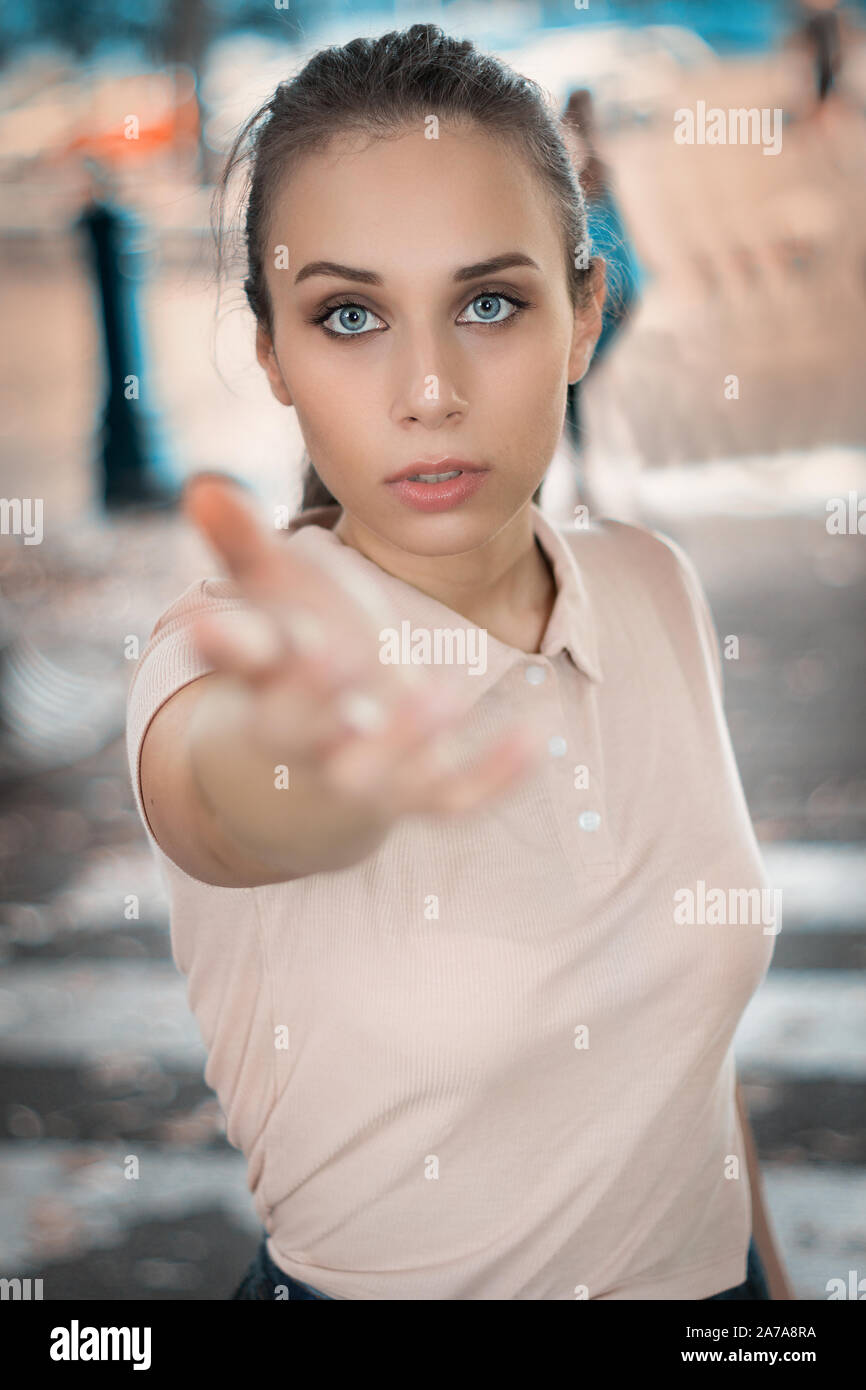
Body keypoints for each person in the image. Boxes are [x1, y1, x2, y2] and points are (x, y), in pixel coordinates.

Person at [127, 24, 794, 1301]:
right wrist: (313, 775)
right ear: (271, 353)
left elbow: (685, 1077)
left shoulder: (651, 587)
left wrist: (771, 1297)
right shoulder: (226, 661)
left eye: (487, 303)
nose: (426, 388)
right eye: (349, 315)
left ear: (584, 315)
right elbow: (224, 794)